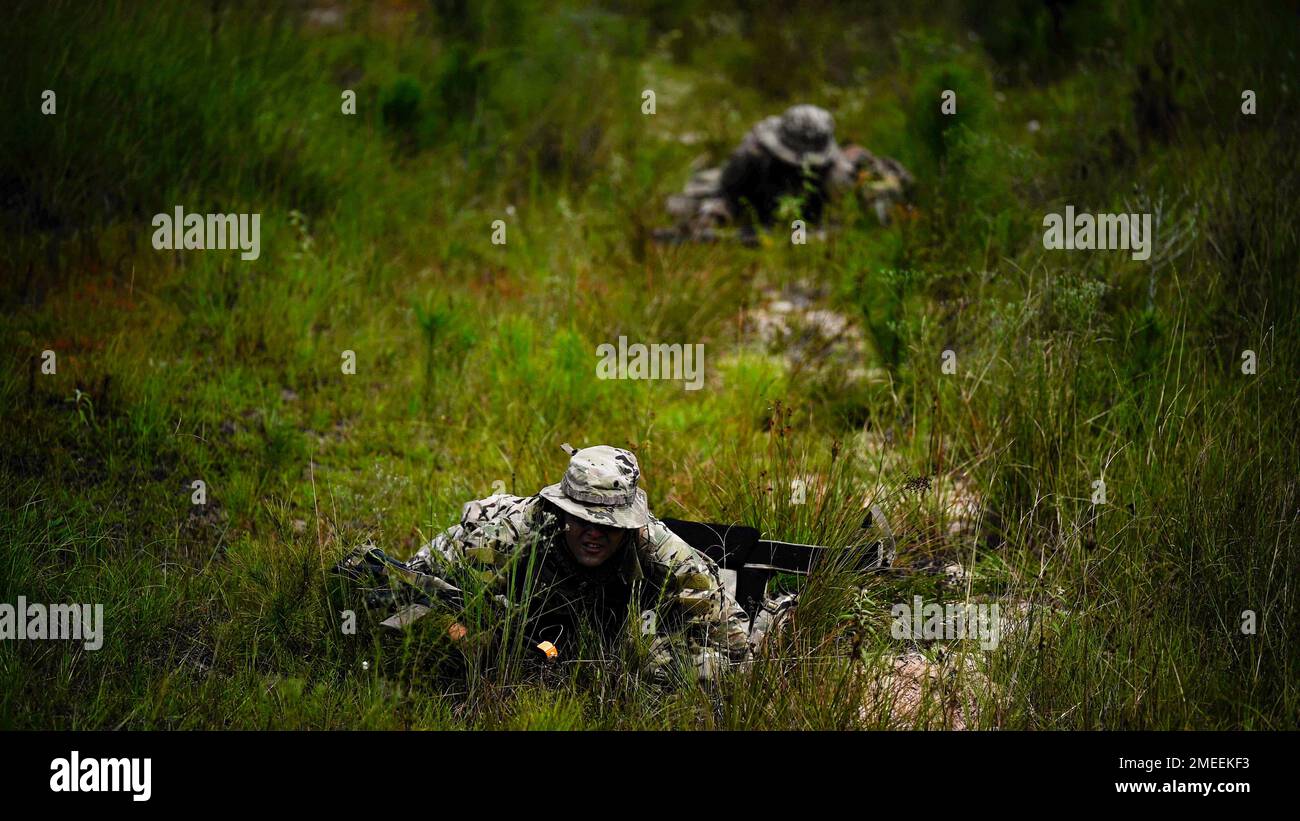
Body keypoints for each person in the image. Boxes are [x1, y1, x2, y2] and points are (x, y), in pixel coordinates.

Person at [334, 444, 754, 685]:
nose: (594, 533)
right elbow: (412, 591)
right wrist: (467, 637)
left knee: (677, 669)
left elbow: (736, 648)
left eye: (607, 526)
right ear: (561, 513)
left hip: (622, 624)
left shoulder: (664, 552)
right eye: (582, 520)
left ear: (627, 526)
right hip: (512, 610)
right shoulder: (503, 536)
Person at [659, 104, 912, 243]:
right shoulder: (755, 157)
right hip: (755, 210)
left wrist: (807, 237)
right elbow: (729, 194)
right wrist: (714, 222)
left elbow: (847, 226)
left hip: (804, 227)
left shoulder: (838, 174)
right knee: (683, 206)